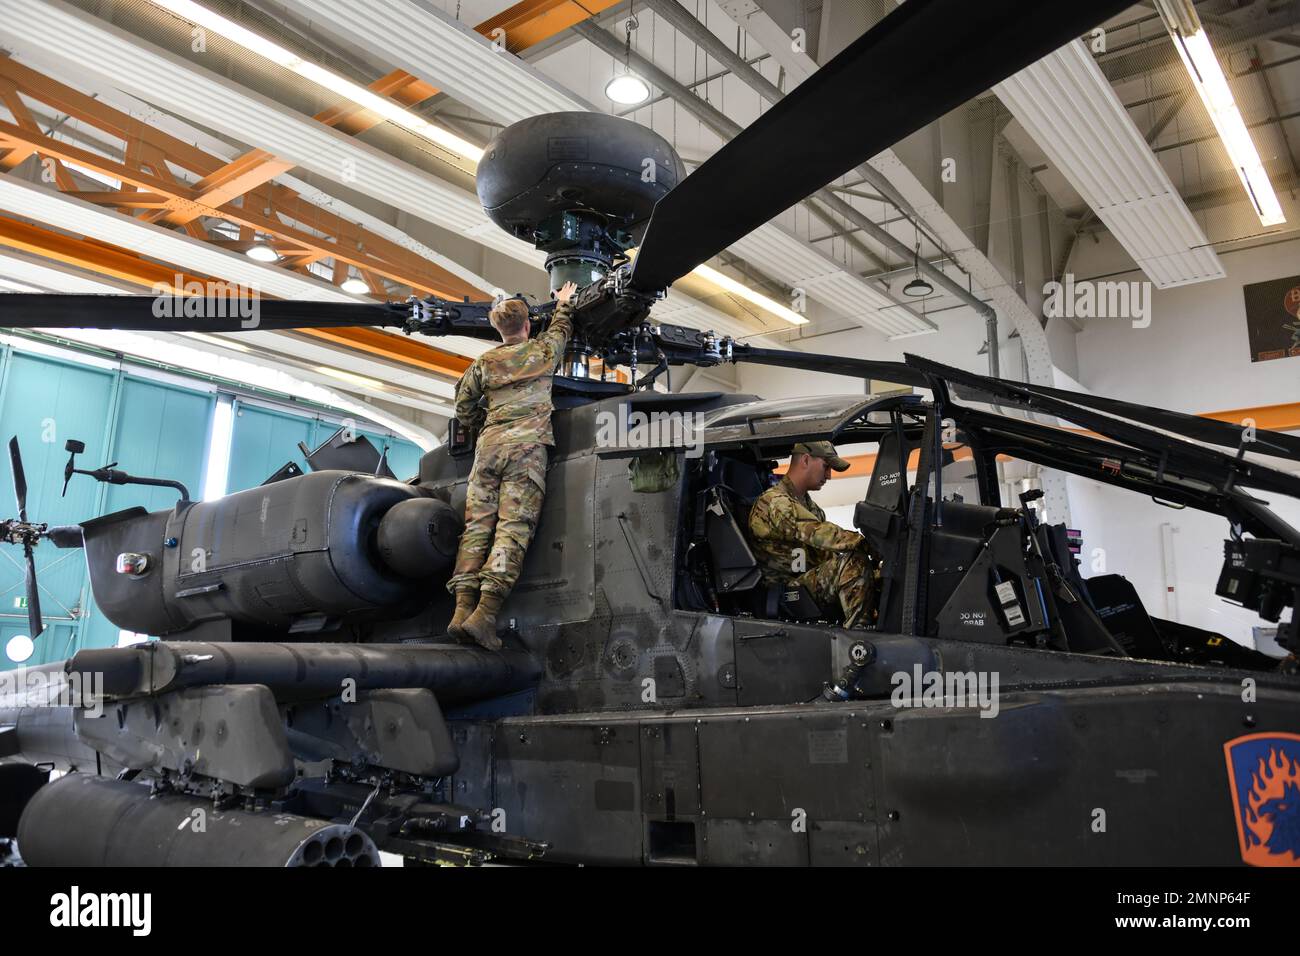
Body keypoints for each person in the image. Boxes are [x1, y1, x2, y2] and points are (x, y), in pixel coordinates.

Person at [446, 281, 579, 649]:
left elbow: (463, 407)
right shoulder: (542, 351)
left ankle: (460, 611)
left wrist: (482, 427)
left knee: (476, 529)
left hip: (487, 452)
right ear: (527, 326)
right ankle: (485, 614)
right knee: (512, 529)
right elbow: (561, 329)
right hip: (526, 450)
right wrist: (563, 303)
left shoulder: (484, 364)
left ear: (498, 329)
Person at [747, 441, 876, 628]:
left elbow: (825, 554)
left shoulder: (811, 507)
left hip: (804, 585)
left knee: (869, 569)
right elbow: (821, 534)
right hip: (784, 593)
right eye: (826, 466)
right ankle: (859, 641)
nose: (829, 476)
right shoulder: (774, 502)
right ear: (806, 460)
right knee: (854, 564)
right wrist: (866, 544)